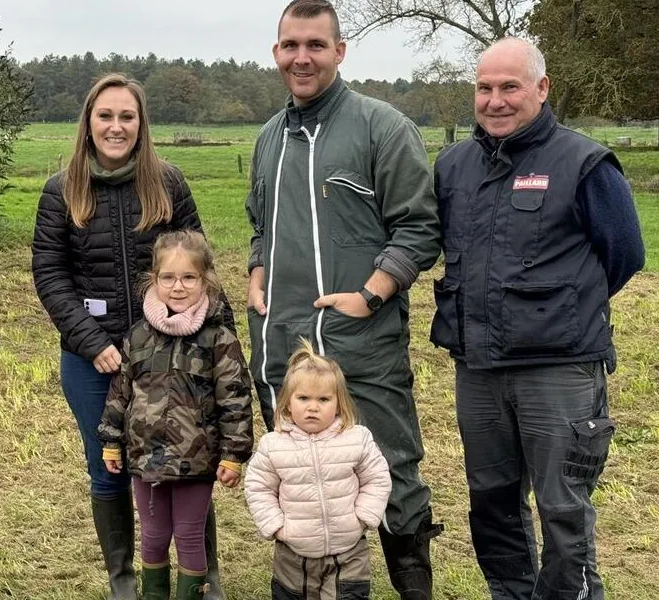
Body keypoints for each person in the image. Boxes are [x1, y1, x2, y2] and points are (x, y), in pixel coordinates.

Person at [431, 38, 645, 599]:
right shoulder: (453, 166)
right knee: (492, 503)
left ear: (542, 88)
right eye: (484, 88)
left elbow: (624, 254)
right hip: (478, 368)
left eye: (510, 87)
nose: (495, 100)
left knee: (563, 510)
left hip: (559, 370)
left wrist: (558, 310)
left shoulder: (585, 163)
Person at [245, 1, 443, 597]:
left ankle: (413, 584)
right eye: (290, 46)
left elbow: (419, 227)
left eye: (315, 45)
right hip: (283, 339)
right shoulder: (268, 137)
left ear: (339, 51)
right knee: (299, 473)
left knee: (391, 467)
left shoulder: (383, 126)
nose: (301, 58)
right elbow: (260, 223)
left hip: (362, 340)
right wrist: (257, 270)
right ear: (276, 52)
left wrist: (371, 294)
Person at [32, 73, 234, 600]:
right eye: (106, 116)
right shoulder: (61, 190)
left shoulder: (169, 183)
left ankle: (202, 579)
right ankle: (125, 582)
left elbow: (200, 264)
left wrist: (220, 339)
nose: (116, 126)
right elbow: (50, 274)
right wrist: (91, 341)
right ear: (88, 122)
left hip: (172, 356)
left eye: (127, 116)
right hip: (92, 359)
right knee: (109, 466)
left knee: (187, 463)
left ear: (142, 124)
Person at [98, 230, 254, 600]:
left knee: (188, 536)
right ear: (154, 279)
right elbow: (120, 392)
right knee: (153, 537)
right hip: (145, 459)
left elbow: (235, 401)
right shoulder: (137, 336)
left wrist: (233, 455)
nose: (178, 286)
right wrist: (111, 440)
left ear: (206, 280)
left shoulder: (219, 340)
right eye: (168, 277)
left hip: (196, 462)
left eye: (188, 277)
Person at [245, 341, 392, 600]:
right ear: (287, 403)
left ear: (339, 403)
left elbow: (377, 478)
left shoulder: (356, 438)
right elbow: (258, 488)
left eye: (323, 399)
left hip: (349, 552)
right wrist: (276, 525)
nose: (313, 407)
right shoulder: (273, 445)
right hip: (293, 553)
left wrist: (364, 516)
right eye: (303, 398)